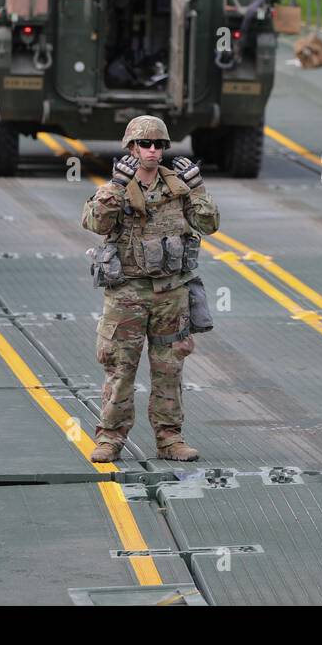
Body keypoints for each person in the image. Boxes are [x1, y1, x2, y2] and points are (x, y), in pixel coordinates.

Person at [82, 115, 218, 463]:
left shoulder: (179, 188)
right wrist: (114, 186)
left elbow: (209, 224)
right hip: (127, 292)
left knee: (169, 368)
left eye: (159, 144)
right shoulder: (116, 187)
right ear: (131, 147)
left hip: (170, 293)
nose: (153, 150)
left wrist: (198, 188)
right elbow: (95, 223)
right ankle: (110, 437)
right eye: (145, 144)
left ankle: (170, 439)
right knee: (120, 367)